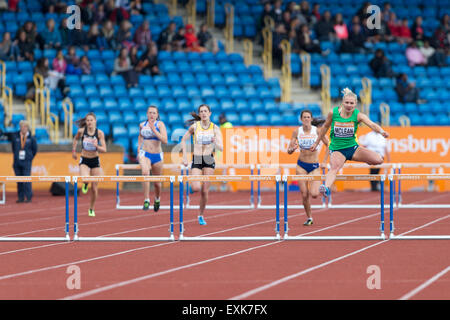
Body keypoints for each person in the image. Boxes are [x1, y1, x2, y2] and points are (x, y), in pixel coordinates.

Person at [309, 88, 389, 199]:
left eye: (351, 103)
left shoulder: (358, 115)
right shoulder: (334, 113)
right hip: (338, 149)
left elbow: (371, 124)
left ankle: (367, 160)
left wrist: (381, 131)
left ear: (355, 104)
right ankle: (326, 187)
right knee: (334, 168)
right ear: (342, 102)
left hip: (353, 148)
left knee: (379, 160)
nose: (349, 105)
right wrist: (316, 142)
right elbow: (324, 128)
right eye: (347, 102)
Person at [181, 104, 223, 225]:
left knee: (205, 191)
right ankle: (192, 187)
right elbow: (183, 140)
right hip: (198, 159)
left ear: (210, 113)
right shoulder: (195, 127)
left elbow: (221, 148)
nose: (203, 113)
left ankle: (200, 215)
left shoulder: (215, 128)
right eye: (201, 111)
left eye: (205, 111)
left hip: (209, 159)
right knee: (196, 188)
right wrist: (184, 157)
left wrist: (215, 142)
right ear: (199, 114)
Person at [287, 111, 329, 226]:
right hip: (301, 165)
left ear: (311, 119)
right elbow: (289, 151)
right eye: (304, 117)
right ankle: (309, 217)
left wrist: (324, 161)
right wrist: (292, 148)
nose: (306, 119)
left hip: (314, 166)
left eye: (308, 117)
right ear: (301, 119)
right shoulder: (297, 131)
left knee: (314, 194)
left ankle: (322, 187)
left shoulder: (317, 130)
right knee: (304, 194)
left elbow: (329, 145)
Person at [72, 112, 107, 217]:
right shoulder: (81, 131)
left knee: (95, 188)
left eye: (91, 120)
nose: (89, 122)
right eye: (87, 120)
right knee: (86, 179)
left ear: (95, 121)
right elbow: (75, 139)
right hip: (85, 160)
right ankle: (85, 183)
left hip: (95, 161)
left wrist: (97, 147)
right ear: (86, 122)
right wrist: (74, 151)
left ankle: (91, 208)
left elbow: (104, 149)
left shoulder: (100, 133)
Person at [137, 106, 168, 211]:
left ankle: (157, 198)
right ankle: (146, 200)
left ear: (157, 114)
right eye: (150, 113)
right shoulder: (142, 125)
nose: (152, 115)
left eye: (154, 113)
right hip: (145, 153)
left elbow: (165, 140)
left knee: (157, 183)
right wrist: (138, 150)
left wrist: (154, 130)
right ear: (147, 114)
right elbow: (140, 136)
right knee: (145, 172)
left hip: (157, 155)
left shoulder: (160, 124)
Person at [4, 120, 38, 203]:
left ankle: (29, 197)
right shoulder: (16, 137)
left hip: (26, 162)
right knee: (19, 180)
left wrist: (29, 158)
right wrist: (16, 156)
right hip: (17, 162)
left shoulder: (31, 138)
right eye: (22, 126)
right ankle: (20, 197)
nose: (23, 128)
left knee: (26, 179)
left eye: (25, 126)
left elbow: (35, 150)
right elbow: (13, 148)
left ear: (27, 127)